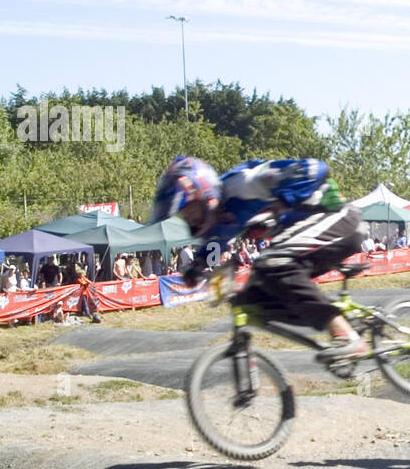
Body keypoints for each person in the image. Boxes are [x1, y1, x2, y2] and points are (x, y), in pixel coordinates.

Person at [151, 155, 371, 362]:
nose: (189, 218)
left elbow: (316, 168)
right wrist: (197, 267)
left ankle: (345, 333)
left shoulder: (244, 183)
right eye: (184, 215)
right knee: (252, 298)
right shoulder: (219, 221)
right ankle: (329, 320)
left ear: (204, 192)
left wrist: (276, 208)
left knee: (273, 262)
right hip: (314, 236)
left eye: (190, 209)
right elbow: (215, 244)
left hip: (338, 217)